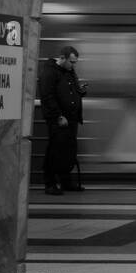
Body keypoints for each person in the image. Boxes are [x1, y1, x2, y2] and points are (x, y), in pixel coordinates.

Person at [37, 45, 88, 195]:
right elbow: (47, 96)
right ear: (62, 58)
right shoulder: (49, 72)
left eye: (75, 62)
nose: (73, 65)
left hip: (71, 119)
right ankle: (50, 183)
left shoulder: (69, 71)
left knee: (68, 152)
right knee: (55, 151)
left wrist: (81, 91)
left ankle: (66, 181)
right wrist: (58, 116)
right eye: (71, 62)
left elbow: (72, 90)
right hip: (58, 119)